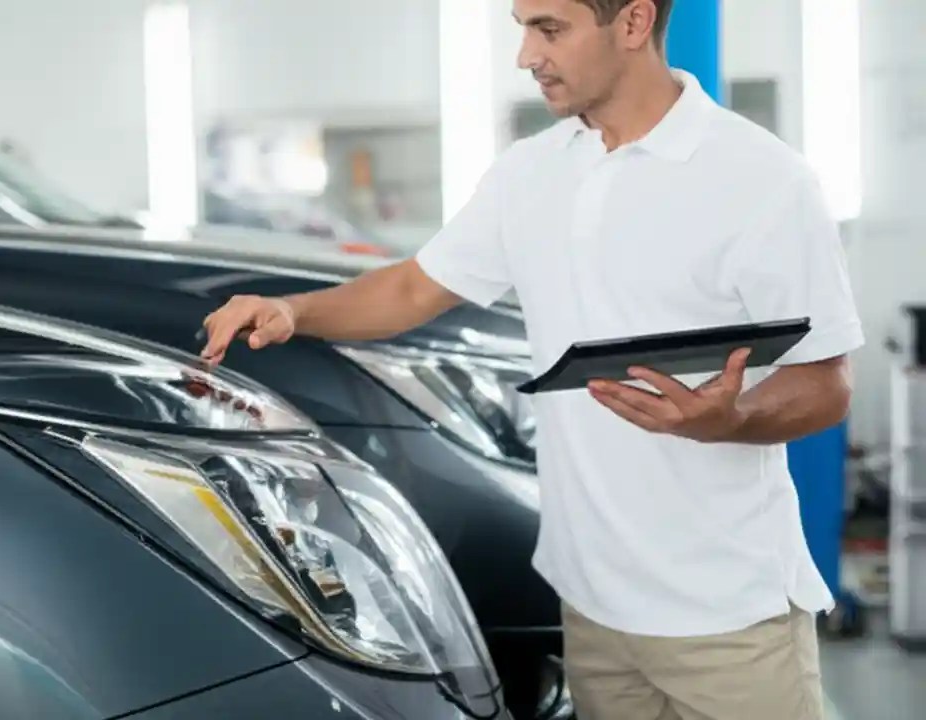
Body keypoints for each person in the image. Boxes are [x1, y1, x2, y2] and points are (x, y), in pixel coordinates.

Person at [199, 1, 863, 718]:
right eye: (524, 28)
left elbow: (825, 384)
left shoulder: (761, 178)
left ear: (634, 23)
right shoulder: (532, 172)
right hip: (592, 603)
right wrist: (297, 312)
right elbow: (414, 287)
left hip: (727, 613)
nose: (526, 55)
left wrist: (726, 419)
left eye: (550, 29)